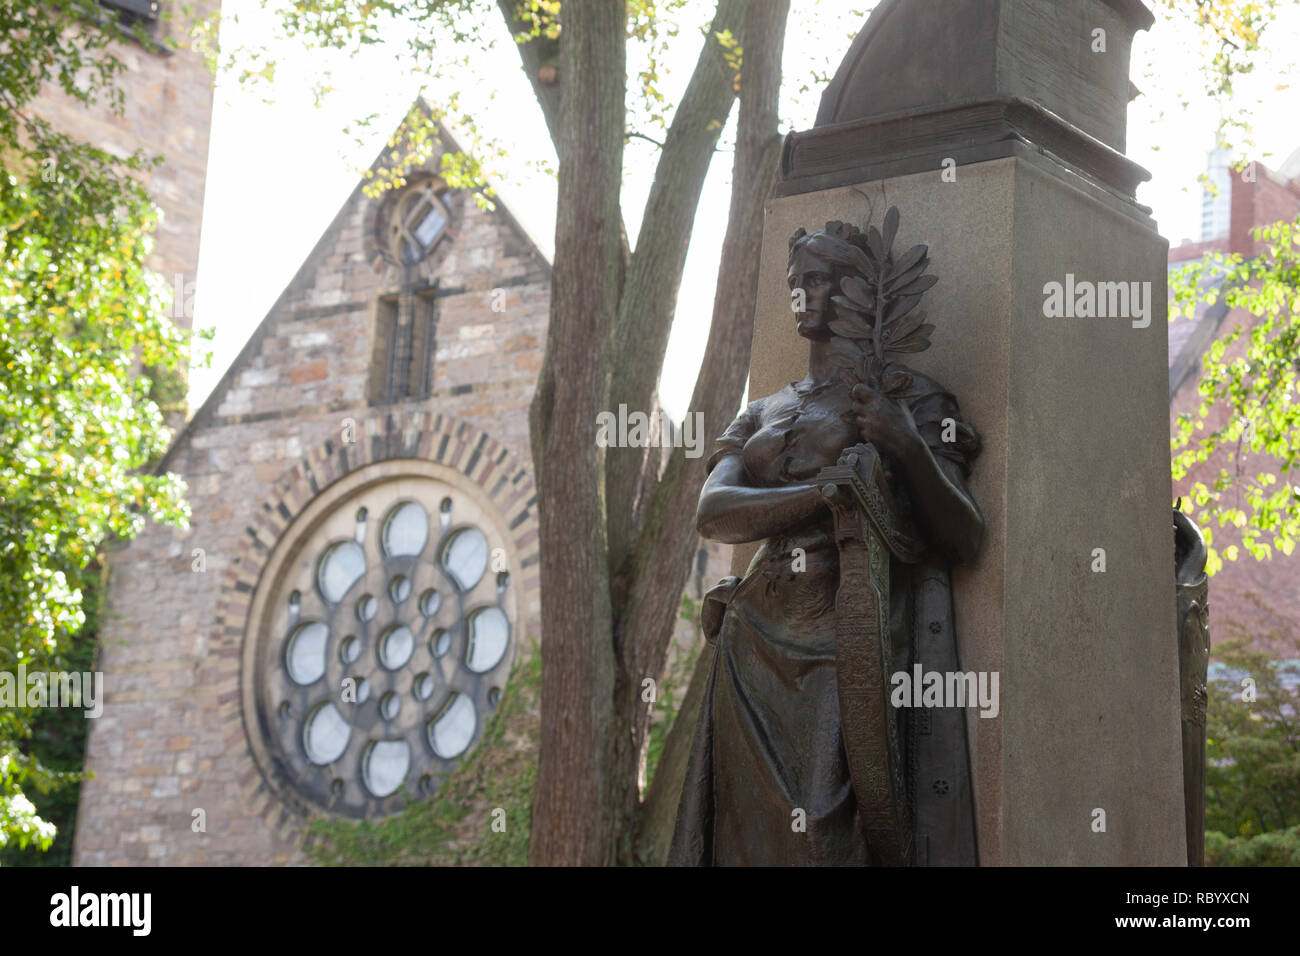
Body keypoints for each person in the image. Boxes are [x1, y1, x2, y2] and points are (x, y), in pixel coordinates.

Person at [669, 218, 983, 866]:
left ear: (862, 291)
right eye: (794, 282)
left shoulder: (913, 401)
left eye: (819, 279)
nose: (800, 293)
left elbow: (965, 536)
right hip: (753, 632)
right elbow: (715, 512)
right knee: (740, 836)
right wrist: (826, 495)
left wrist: (904, 444)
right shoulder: (760, 410)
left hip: (846, 631)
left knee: (820, 833)